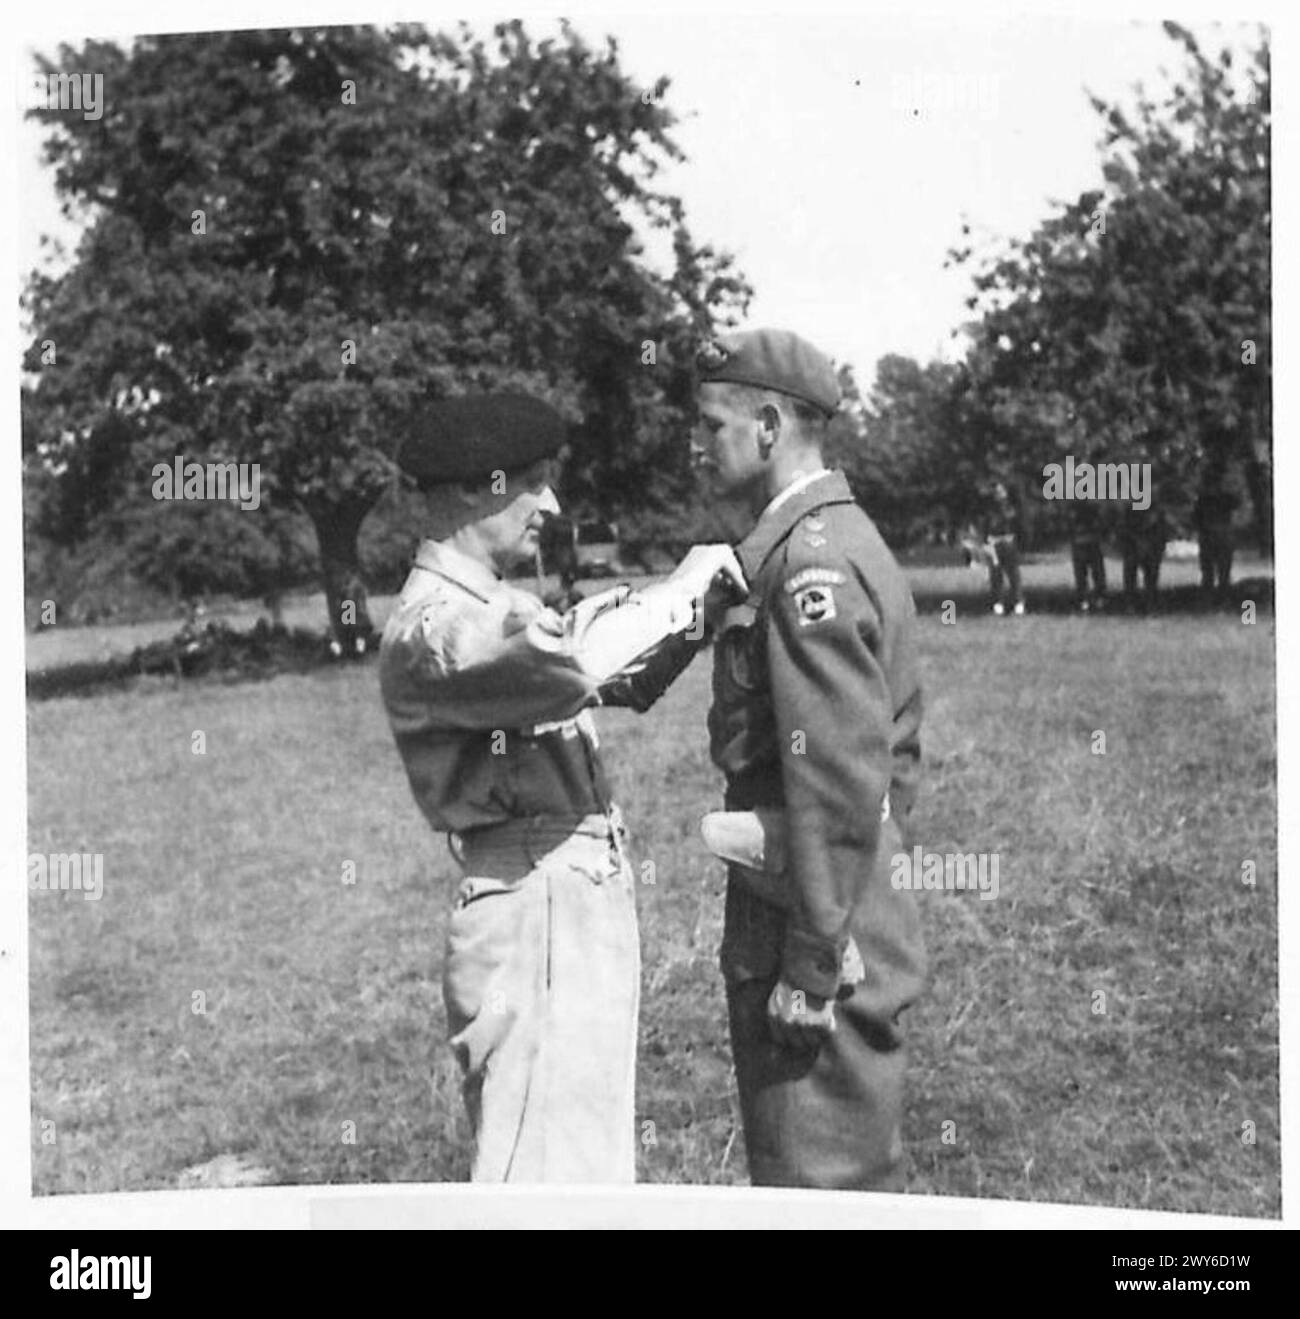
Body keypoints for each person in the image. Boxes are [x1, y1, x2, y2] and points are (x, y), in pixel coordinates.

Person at [377, 392, 744, 1183]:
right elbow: (576, 662)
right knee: (547, 1179)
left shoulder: (492, 609)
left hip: (561, 896)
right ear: (477, 488)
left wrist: (697, 611)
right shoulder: (436, 626)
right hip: (533, 905)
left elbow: (613, 673)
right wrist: (688, 581)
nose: (553, 504)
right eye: (535, 482)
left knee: (585, 1164)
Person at [690, 329, 927, 1190]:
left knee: (818, 1184)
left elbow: (837, 777)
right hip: (837, 899)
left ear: (766, 426)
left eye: (710, 426)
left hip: (815, 926)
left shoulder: (805, 567)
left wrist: (812, 961)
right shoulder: (832, 542)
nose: (696, 446)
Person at [1116, 502, 1170, 613]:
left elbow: (1161, 530)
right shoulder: (1131, 509)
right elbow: (1123, 528)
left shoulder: (1156, 510)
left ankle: (1150, 603)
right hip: (1134, 547)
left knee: (1150, 577)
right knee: (1132, 576)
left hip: (1150, 547)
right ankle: (1132, 603)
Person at [982, 481, 1025, 615]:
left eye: (1001, 491)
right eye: (996, 492)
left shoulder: (1012, 507)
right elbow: (985, 527)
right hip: (994, 544)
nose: (999, 494)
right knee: (996, 575)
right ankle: (998, 603)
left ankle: (1018, 602)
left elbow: (1017, 524)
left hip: (1009, 543)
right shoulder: (989, 510)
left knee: (1014, 575)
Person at [1192, 481, 1238, 603]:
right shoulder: (1225, 498)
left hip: (1212, 536)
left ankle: (1212, 598)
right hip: (1220, 536)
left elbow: (1195, 519)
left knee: (1211, 571)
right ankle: (1220, 597)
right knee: (1220, 571)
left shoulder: (1203, 499)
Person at [1067, 498, 1107, 611]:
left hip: (1091, 542)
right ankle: (1084, 599)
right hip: (1080, 542)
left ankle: (1098, 597)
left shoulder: (1094, 507)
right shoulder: (1074, 507)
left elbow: (1100, 523)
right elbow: (1070, 525)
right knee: (1082, 573)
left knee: (1096, 572)